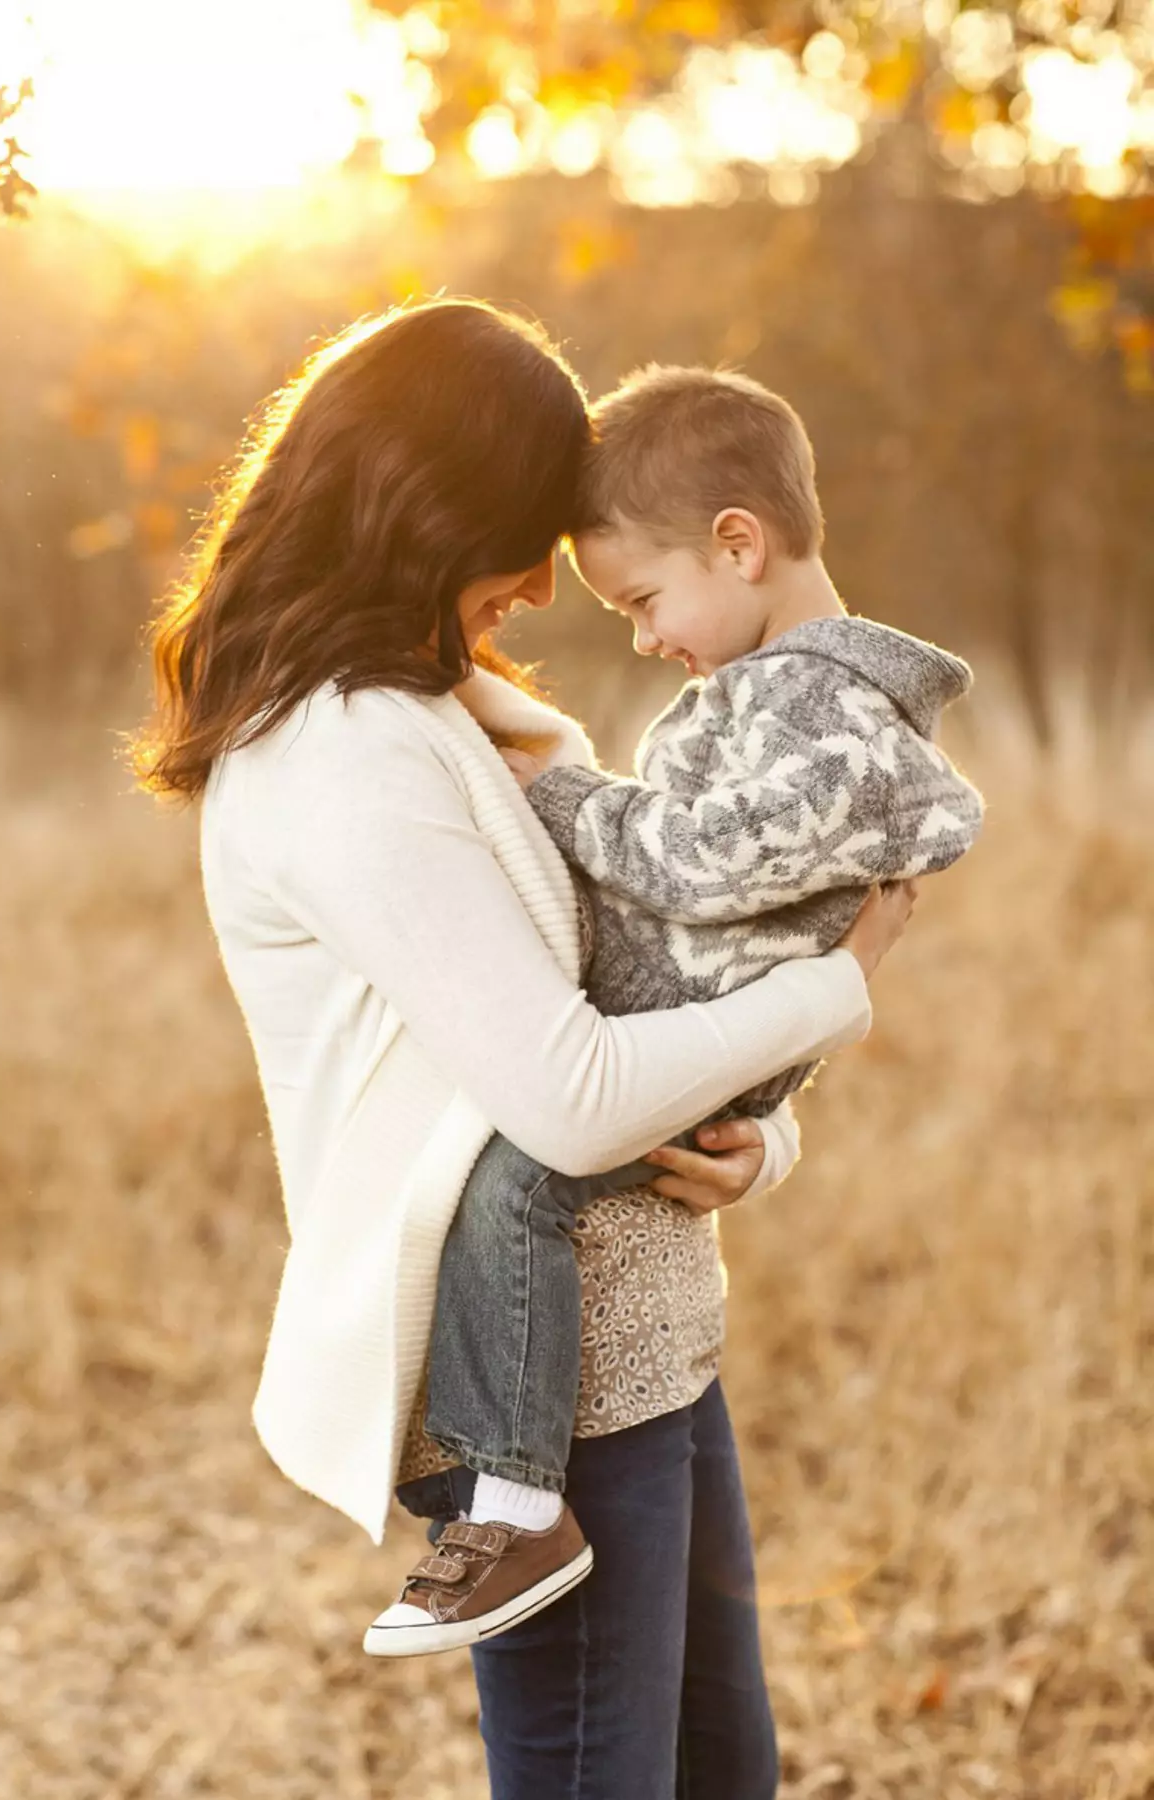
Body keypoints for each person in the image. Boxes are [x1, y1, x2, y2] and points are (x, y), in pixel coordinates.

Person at [132, 298, 915, 1800]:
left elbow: (645, 980)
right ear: (429, 515)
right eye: (529, 538)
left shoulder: (439, 713)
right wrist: (848, 981)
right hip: (540, 1415)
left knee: (716, 1779)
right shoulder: (339, 756)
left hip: (650, 1345)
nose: (548, 593)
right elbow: (567, 1096)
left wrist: (762, 1141)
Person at [368, 363, 983, 1659]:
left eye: (645, 600)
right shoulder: (782, 693)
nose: (643, 637)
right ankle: (498, 1485)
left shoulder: (817, 703)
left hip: (701, 1035)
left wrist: (561, 794)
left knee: (515, 1184)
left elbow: (707, 864)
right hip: (716, 1034)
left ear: (739, 544)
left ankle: (513, 1500)